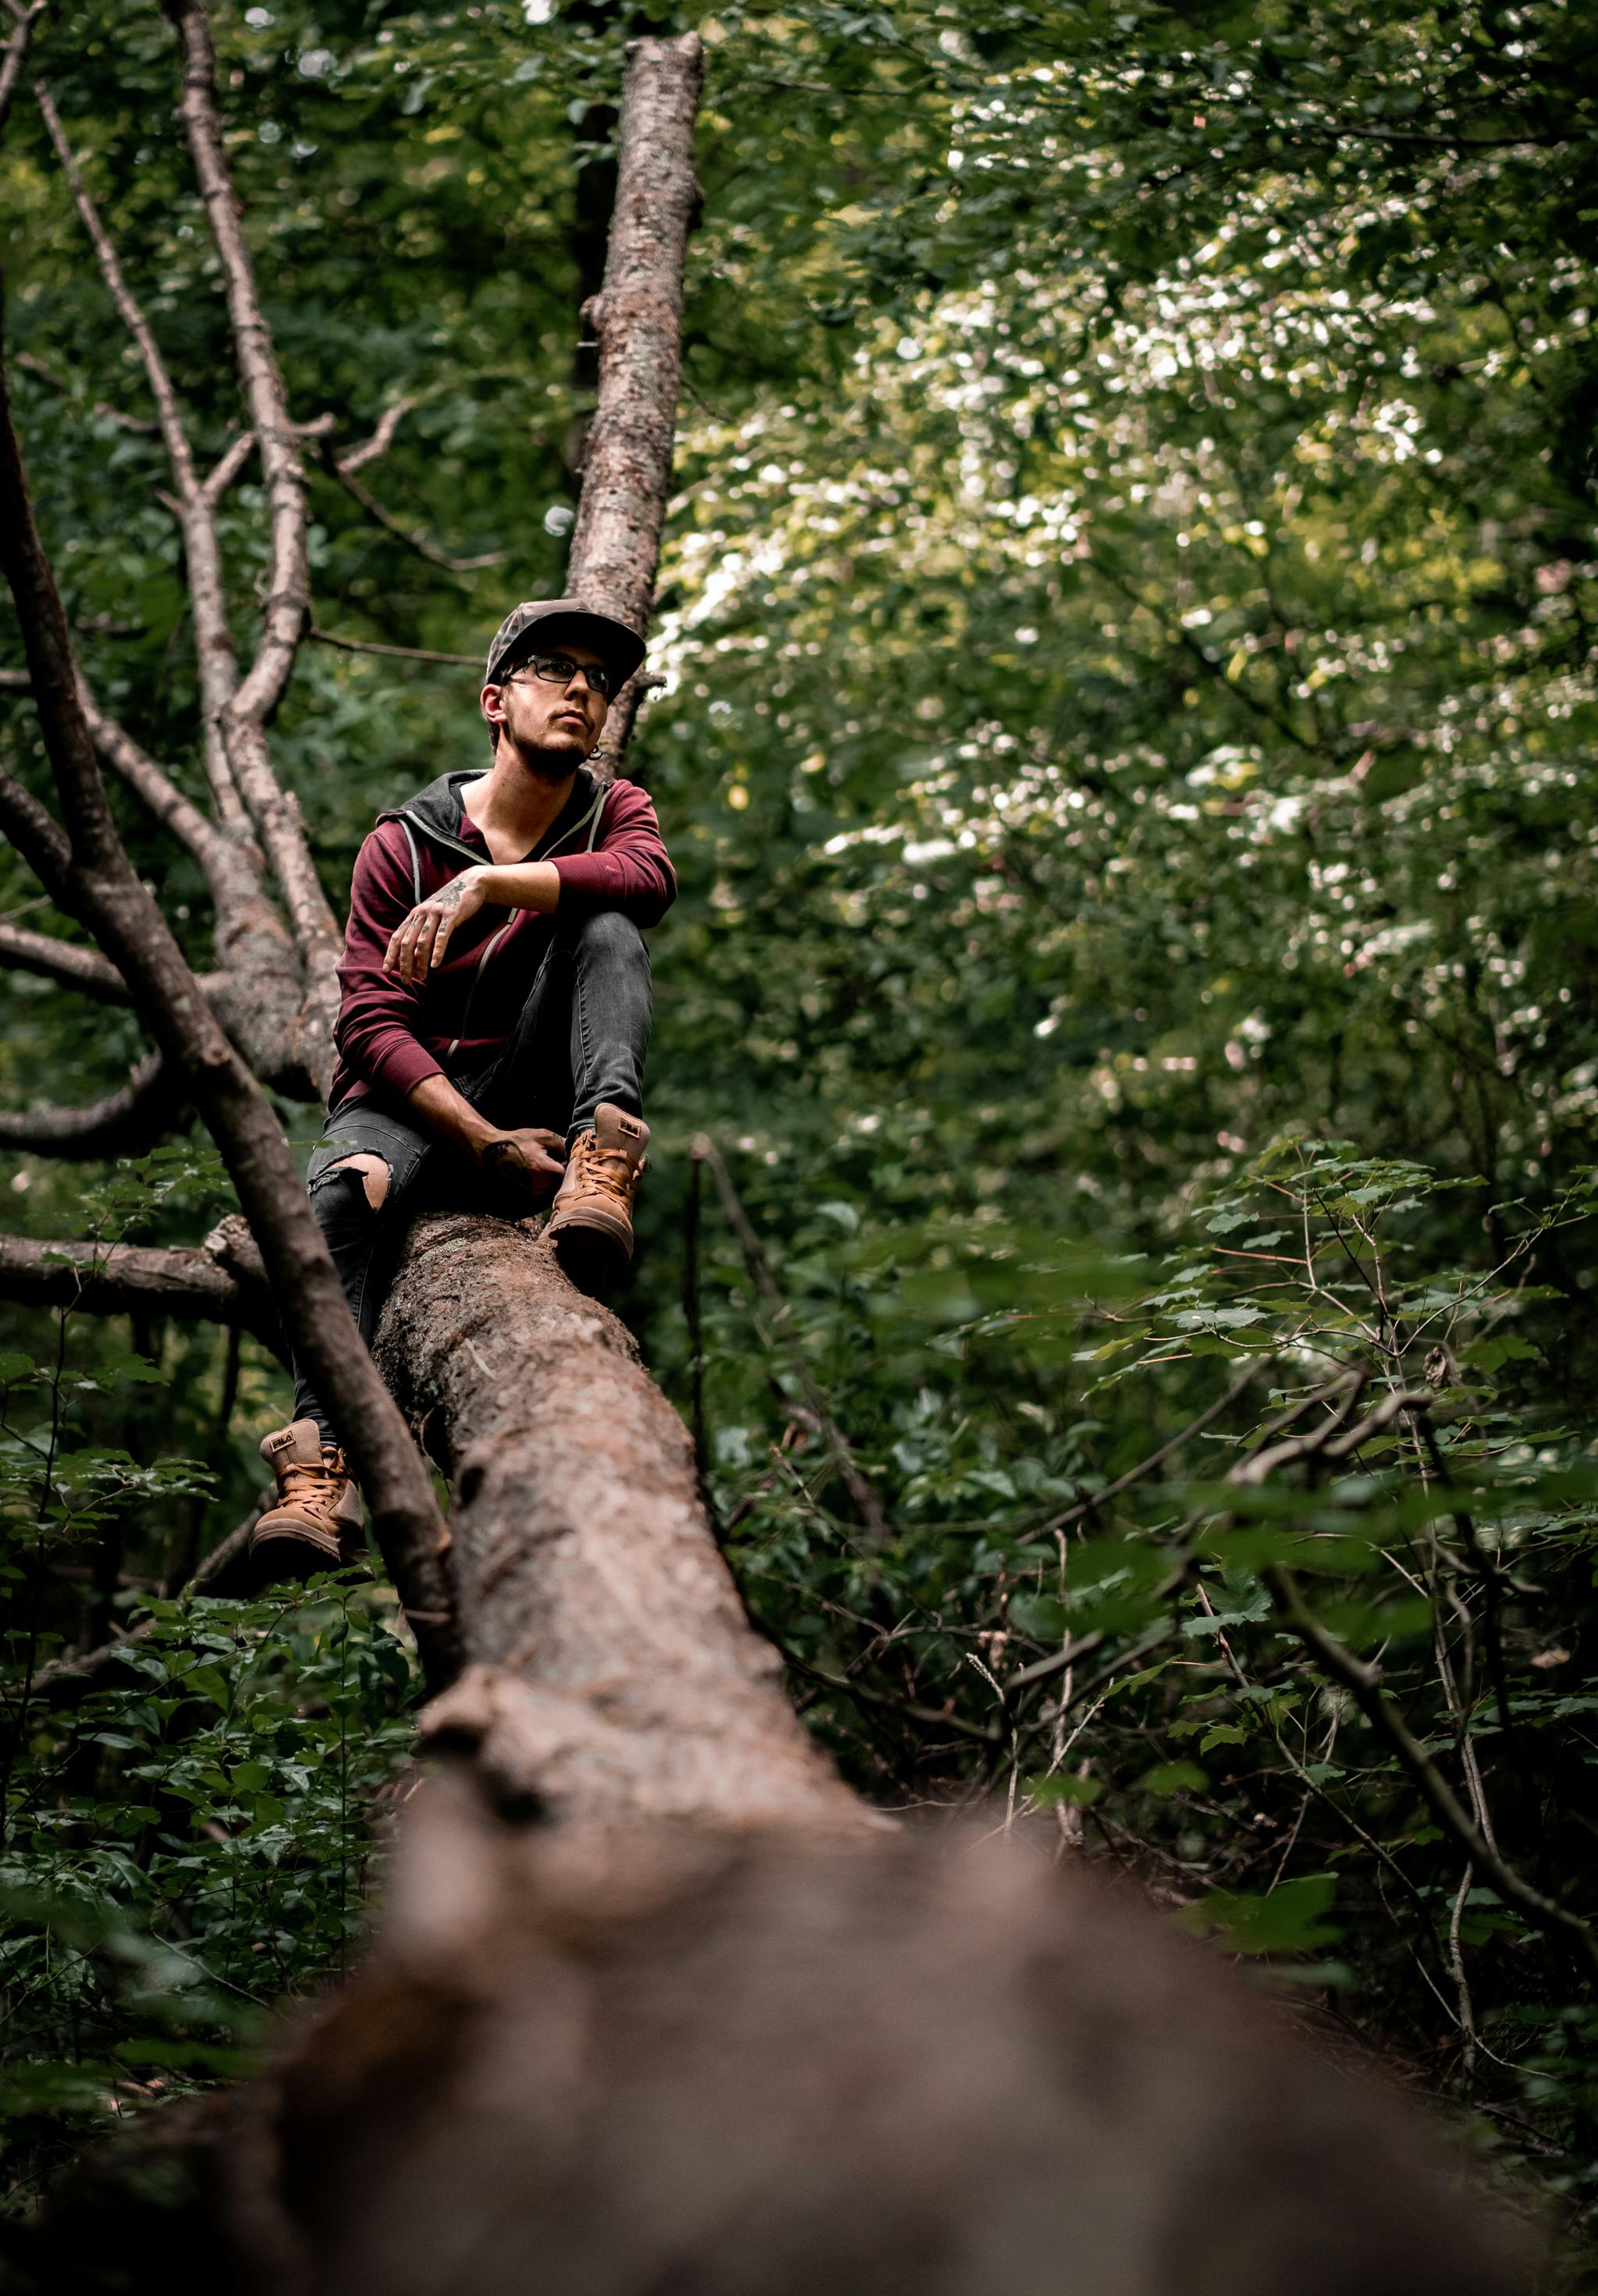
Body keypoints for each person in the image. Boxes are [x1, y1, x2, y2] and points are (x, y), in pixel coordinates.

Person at [251, 597, 675, 1577]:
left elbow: (646, 880)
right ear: (495, 700)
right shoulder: (401, 844)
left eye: (599, 680)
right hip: (412, 1103)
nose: (582, 689)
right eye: (553, 669)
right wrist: (481, 1139)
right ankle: (322, 1464)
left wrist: (487, 885)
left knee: (610, 924)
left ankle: (602, 1166)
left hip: (534, 1074)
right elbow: (365, 1022)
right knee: (337, 1191)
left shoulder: (616, 810)